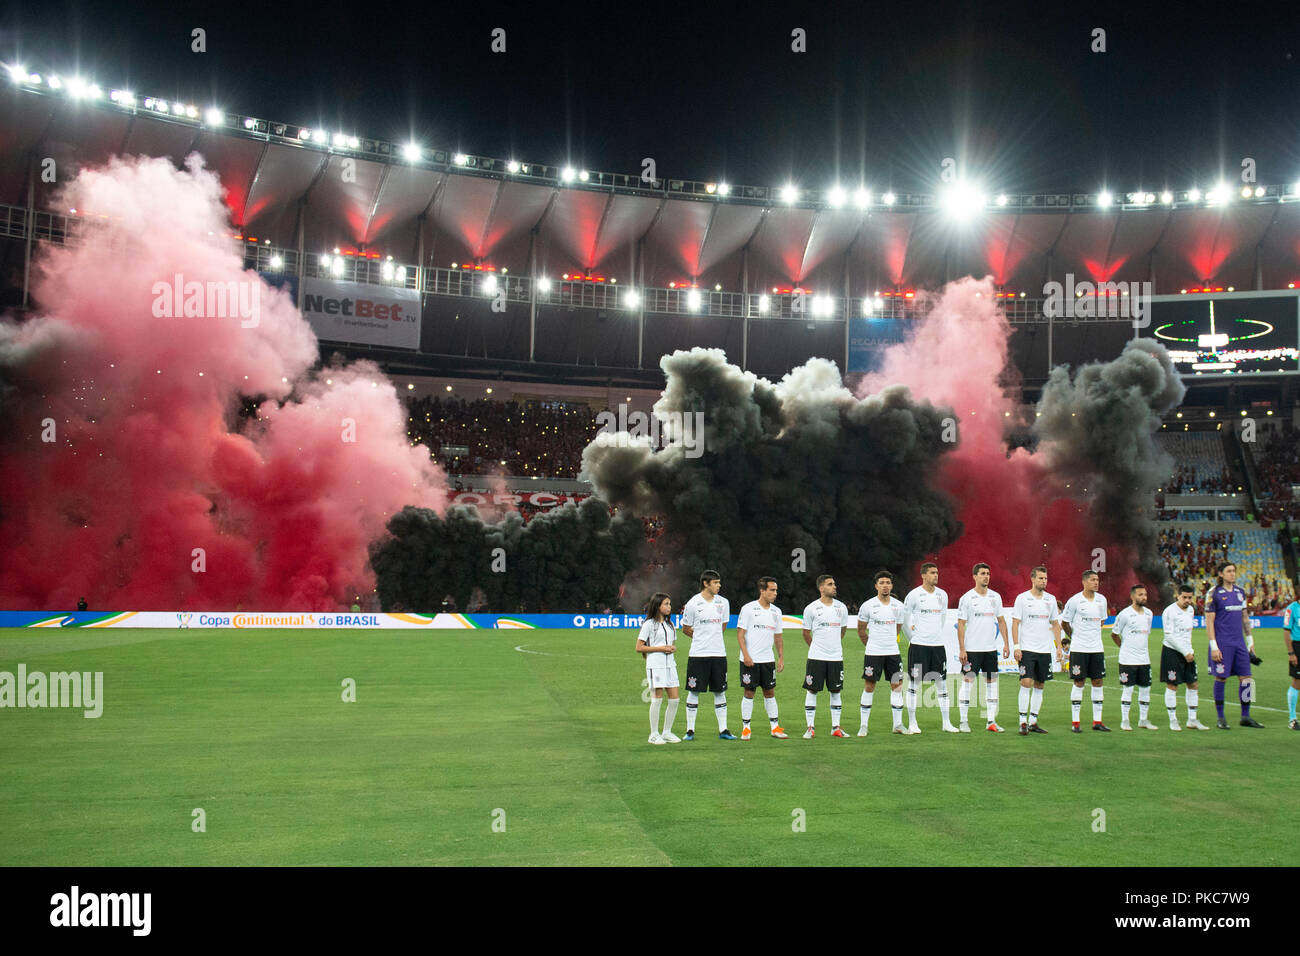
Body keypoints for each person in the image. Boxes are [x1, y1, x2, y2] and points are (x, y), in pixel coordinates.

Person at [680, 570, 736, 741]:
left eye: (719, 582)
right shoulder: (692, 603)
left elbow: (723, 625)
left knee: (720, 691)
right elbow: (686, 628)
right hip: (698, 654)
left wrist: (713, 638)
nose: (719, 585)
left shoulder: (724, 602)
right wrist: (701, 638)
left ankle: (723, 729)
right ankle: (690, 730)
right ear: (706, 583)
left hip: (719, 653)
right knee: (694, 691)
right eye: (716, 583)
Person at [1206, 562, 1263, 729]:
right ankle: (1221, 717)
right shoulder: (1213, 593)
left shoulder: (1240, 592)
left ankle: (1245, 716)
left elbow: (1245, 618)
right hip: (1222, 643)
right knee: (1221, 677)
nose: (1232, 574)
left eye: (1234, 571)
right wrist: (1214, 646)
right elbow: (1209, 621)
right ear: (1221, 574)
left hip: (1239, 643)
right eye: (1229, 571)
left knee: (1247, 679)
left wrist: (1250, 642)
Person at [902, 562, 957, 733]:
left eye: (937, 572)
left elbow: (942, 619)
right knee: (914, 684)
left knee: (942, 684)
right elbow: (904, 621)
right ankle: (912, 723)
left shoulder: (943, 595)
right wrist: (914, 638)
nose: (936, 575)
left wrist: (935, 636)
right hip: (919, 646)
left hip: (938, 647)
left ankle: (946, 723)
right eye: (932, 573)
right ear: (924, 575)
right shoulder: (914, 595)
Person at [956, 562, 1010, 732]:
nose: (986, 576)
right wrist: (962, 648)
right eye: (982, 573)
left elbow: (1001, 621)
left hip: (990, 650)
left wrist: (1007, 643)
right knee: (968, 683)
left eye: (988, 573)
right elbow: (961, 624)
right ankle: (963, 721)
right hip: (972, 649)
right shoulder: (967, 598)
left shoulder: (995, 597)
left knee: (992, 684)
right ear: (974, 576)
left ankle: (991, 721)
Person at [1011, 566, 1064, 735]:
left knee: (1040, 684)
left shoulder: (1051, 599)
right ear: (1032, 579)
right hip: (1027, 649)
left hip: (1044, 650)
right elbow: (1015, 623)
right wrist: (1017, 646)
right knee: (1026, 682)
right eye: (1041, 578)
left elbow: (1055, 624)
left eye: (1046, 578)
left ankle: (1033, 721)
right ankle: (1022, 721)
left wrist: (1059, 647)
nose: (1044, 581)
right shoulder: (1022, 598)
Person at [857, 570, 908, 735]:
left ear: (891, 586)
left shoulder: (899, 606)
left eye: (888, 583)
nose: (885, 586)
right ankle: (863, 726)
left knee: (897, 686)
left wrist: (888, 642)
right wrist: (871, 645)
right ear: (876, 586)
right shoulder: (868, 605)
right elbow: (861, 630)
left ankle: (898, 725)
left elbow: (898, 629)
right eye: (881, 583)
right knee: (870, 686)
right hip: (873, 652)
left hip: (893, 652)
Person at [736, 577, 787, 739]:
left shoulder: (776, 612)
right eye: (772, 590)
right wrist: (746, 655)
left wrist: (780, 657)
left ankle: (775, 727)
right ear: (762, 591)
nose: (775, 593)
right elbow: (740, 634)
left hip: (768, 660)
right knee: (749, 692)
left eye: (776, 590)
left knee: (770, 692)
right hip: (750, 659)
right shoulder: (749, 609)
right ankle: (746, 728)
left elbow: (778, 637)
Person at [1061, 570, 1111, 733]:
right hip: (1079, 649)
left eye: (1097, 580)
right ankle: (1076, 723)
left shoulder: (1102, 600)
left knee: (1098, 682)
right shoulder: (1075, 601)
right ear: (1084, 582)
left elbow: (1102, 621)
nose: (1096, 582)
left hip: (1097, 648)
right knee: (1079, 682)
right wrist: (1074, 636)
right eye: (1092, 580)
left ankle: (1097, 721)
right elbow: (1065, 623)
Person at [801, 574, 849, 738]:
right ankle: (810, 728)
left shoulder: (841, 608)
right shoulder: (811, 608)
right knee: (812, 690)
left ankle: (835, 727)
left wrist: (833, 646)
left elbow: (842, 630)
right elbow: (806, 633)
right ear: (821, 588)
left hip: (836, 657)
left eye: (834, 583)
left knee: (836, 691)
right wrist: (817, 647)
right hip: (816, 657)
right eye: (830, 584)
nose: (834, 586)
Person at [1160, 583, 1210, 730]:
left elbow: (1187, 634)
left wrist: (1190, 650)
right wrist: (1184, 651)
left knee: (1193, 684)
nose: (1187, 600)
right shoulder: (1169, 611)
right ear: (1178, 596)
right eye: (1184, 597)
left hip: (1188, 652)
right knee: (1172, 685)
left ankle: (1192, 720)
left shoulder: (1191, 610)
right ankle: (1173, 720)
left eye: (1189, 598)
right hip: (1172, 652)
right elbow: (1168, 636)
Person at [635, 593, 680, 744]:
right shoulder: (649, 624)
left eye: (670, 604)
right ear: (658, 606)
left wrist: (671, 648)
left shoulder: (670, 625)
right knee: (657, 700)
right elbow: (639, 647)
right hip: (656, 665)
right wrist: (661, 648)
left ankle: (667, 732)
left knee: (675, 700)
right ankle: (653, 734)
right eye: (666, 604)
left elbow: (671, 644)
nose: (669, 607)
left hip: (670, 665)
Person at [1112, 584, 1157, 731]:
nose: (1143, 597)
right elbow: (1114, 634)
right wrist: (1124, 648)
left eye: (1145, 594)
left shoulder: (1149, 614)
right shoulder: (1124, 614)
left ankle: (1143, 720)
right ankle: (1125, 720)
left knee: (1145, 689)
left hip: (1144, 659)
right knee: (1128, 689)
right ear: (1132, 596)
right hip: (1127, 660)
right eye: (1140, 595)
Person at [1284, 591, 1300, 730]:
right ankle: (1292, 718)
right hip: (1298, 646)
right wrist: (1291, 653)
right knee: (1297, 682)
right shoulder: (1292, 608)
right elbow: (1286, 631)